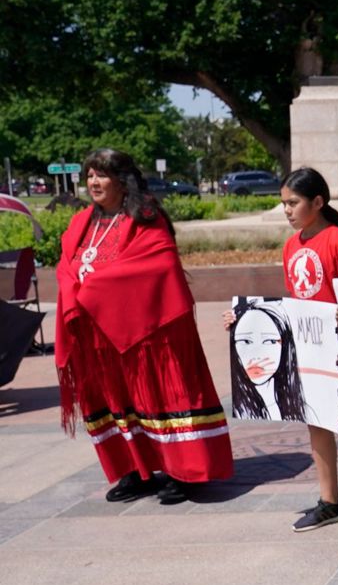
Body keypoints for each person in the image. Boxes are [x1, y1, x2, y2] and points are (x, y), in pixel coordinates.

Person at [223, 167, 338, 537]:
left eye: (294, 203)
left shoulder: (337, 240)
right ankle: (330, 500)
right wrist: (244, 320)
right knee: (317, 424)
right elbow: (293, 301)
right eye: (284, 204)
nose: (287, 210)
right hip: (309, 350)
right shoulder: (292, 245)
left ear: (317, 202)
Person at [55, 148, 231, 504]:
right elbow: (66, 264)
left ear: (122, 180)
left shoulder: (145, 217)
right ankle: (135, 470)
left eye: (102, 175)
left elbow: (158, 264)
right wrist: (74, 284)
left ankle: (184, 472)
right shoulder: (82, 222)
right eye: (90, 175)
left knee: (163, 398)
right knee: (115, 401)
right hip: (97, 335)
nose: (93, 182)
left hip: (149, 333)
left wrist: (92, 287)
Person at [229, 298, 306, 422]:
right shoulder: (241, 410)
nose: (257, 356)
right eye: (245, 341)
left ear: (285, 346)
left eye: (269, 341)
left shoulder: (300, 407)